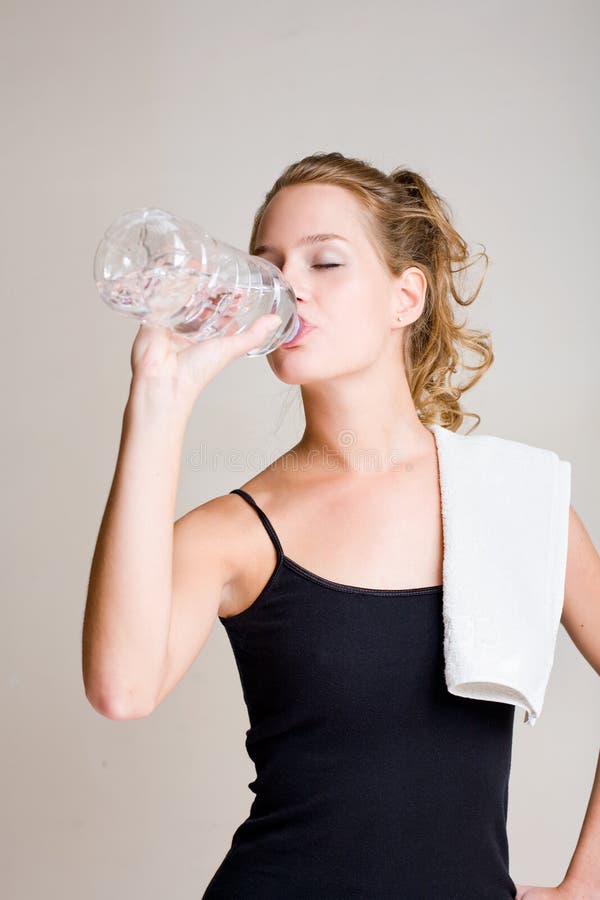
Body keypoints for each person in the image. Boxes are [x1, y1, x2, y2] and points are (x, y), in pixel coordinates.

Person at [82, 152, 599, 899]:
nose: (289, 284)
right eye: (268, 264)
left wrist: (584, 886)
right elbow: (121, 691)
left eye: (325, 261)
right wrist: (160, 394)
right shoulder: (235, 532)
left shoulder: (515, 498)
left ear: (406, 297)